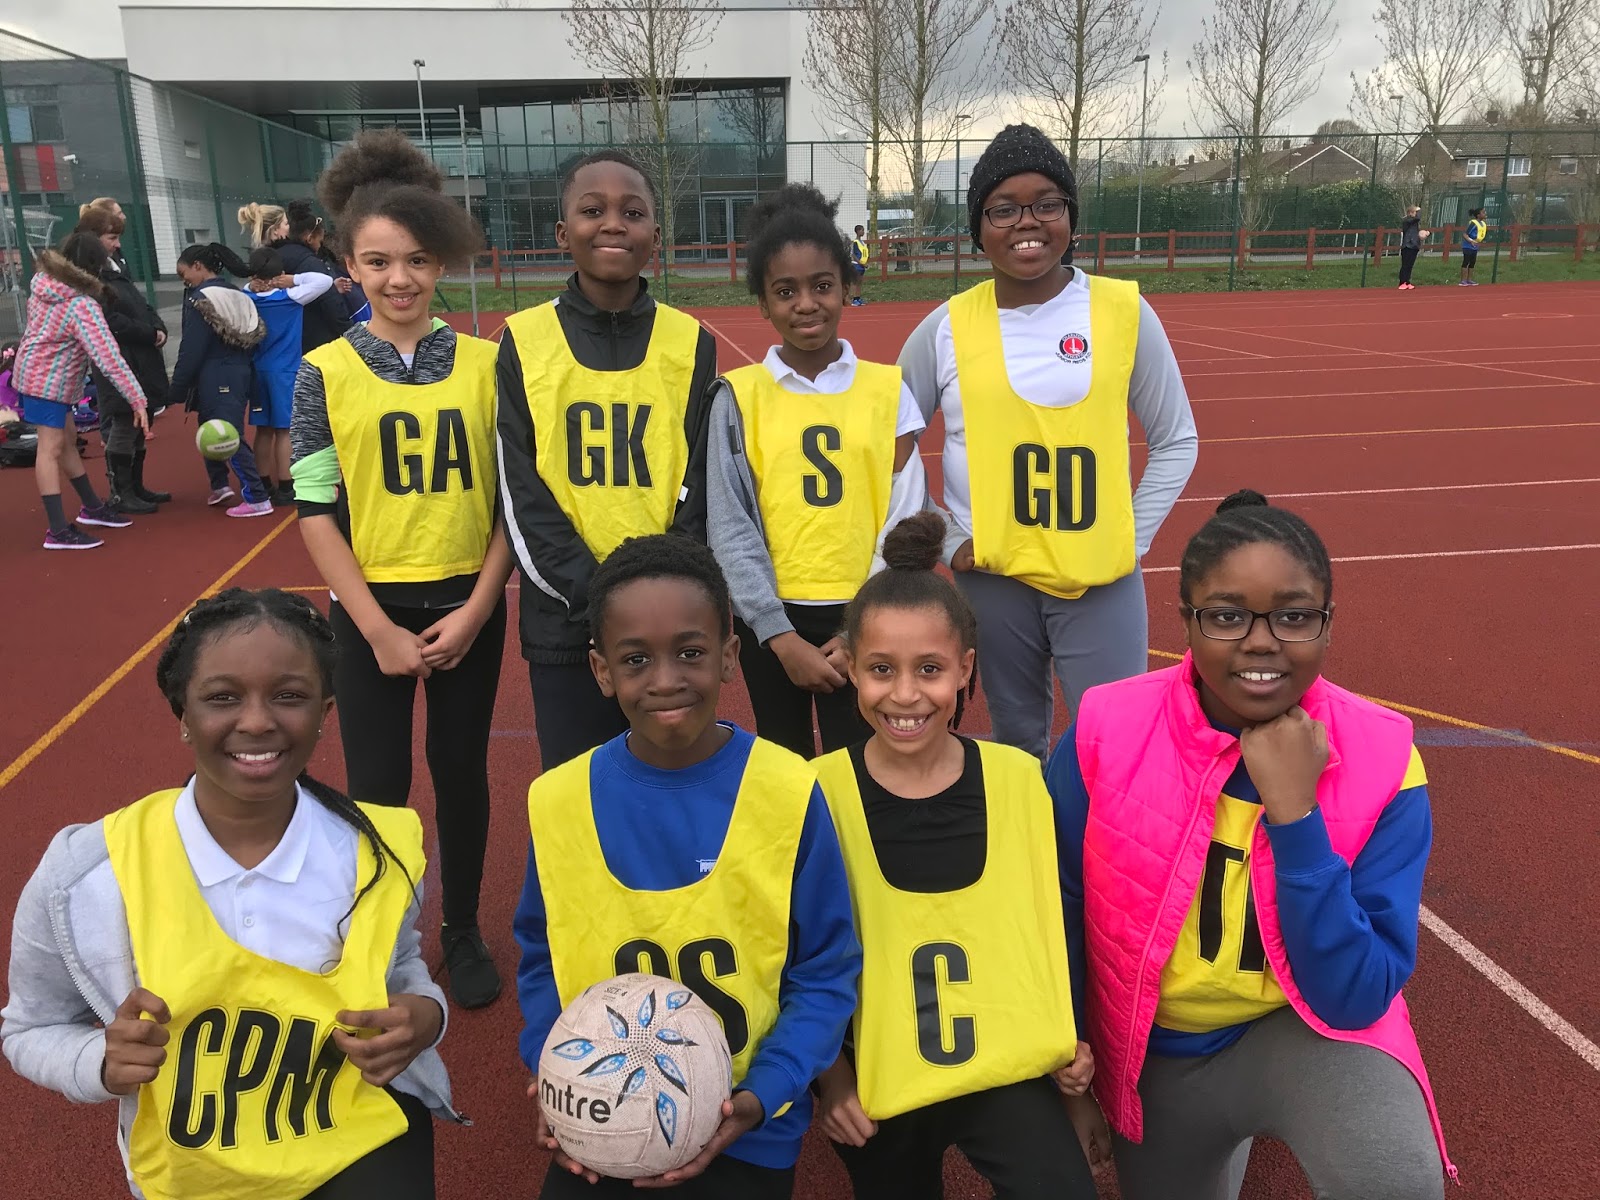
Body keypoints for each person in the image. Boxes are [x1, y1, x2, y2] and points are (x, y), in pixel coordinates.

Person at [1046, 490, 1454, 1200]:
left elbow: (1355, 997)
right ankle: (1215, 1142)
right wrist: (1074, 1066)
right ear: (1187, 623)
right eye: (1227, 616)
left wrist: (1295, 817)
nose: (1261, 642)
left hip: (1297, 1028)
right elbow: (1056, 908)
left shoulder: (1387, 760)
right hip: (1153, 1050)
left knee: (1393, 1183)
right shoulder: (1104, 730)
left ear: (1327, 624)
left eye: (1293, 616)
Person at [1, 588, 456, 1200]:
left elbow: (400, 971)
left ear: (326, 711)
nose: (258, 721)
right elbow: (28, 1028)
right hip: (194, 1173)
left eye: (289, 696)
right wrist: (99, 1063)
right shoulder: (87, 872)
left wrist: (424, 1018)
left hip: (356, 1141)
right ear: (182, 714)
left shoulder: (378, 850)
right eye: (222, 698)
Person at [514, 532, 860, 1199]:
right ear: (601, 670)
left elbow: (825, 970)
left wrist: (766, 1092)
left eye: (691, 653)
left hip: (749, 1125)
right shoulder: (558, 801)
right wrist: (551, 1069)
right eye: (636, 659)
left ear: (729, 657)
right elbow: (539, 954)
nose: (666, 679)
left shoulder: (788, 789)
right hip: (598, 1116)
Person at [811, 511, 1100, 1200]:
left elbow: (1048, 923)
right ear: (851, 668)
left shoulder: (1016, 779)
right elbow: (800, 952)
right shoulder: (815, 793)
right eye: (881, 669)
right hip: (884, 1077)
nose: (906, 694)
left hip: (1003, 1063)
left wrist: (1070, 1041)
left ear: (965, 670)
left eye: (930, 670)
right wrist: (832, 1080)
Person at [292, 128, 512, 1009]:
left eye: (418, 260)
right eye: (378, 261)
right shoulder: (322, 373)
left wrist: (477, 609)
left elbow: (509, 512)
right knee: (377, 784)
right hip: (370, 610)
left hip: (470, 603)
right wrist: (376, 629)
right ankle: (382, 933)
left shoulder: (494, 366)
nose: (400, 279)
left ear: (442, 262)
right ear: (348, 263)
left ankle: (460, 929)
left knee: (461, 770)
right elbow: (315, 514)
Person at [897, 123, 1199, 760]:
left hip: (1099, 578)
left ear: (1070, 214)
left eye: (1046, 204)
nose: (1026, 222)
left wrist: (1129, 535)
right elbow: (891, 448)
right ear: (978, 226)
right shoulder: (942, 329)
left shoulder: (1122, 312)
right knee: (1016, 744)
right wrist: (947, 538)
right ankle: (1033, 861)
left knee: (1115, 745)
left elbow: (1176, 439)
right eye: (1002, 209)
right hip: (993, 577)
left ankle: (1106, 861)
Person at [497, 149, 717, 770]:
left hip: (670, 625)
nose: (614, 223)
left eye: (634, 211)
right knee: (577, 792)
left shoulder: (690, 341)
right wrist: (600, 596)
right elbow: (520, 492)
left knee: (674, 782)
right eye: (593, 210)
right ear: (565, 233)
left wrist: (661, 593)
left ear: (655, 234)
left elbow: (699, 485)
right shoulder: (522, 340)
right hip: (565, 623)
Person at [708, 183, 926, 759]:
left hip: (864, 615)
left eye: (822, 286)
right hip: (769, 622)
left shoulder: (888, 389)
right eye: (786, 291)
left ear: (847, 288)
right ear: (763, 303)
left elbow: (905, 513)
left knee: (862, 767)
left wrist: (860, 628)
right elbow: (729, 525)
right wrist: (777, 634)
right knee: (785, 767)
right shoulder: (737, 397)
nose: (806, 304)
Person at [11, 233, 148, 550]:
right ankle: (57, 531)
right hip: (46, 382)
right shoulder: (81, 306)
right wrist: (137, 400)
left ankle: (92, 507)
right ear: (93, 267)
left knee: (67, 440)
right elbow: (108, 358)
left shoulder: (45, 284)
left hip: (42, 376)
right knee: (51, 447)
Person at [75, 205, 171, 513]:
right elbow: (110, 320)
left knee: (139, 420)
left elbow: (139, 304)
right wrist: (147, 332)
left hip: (139, 357)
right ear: (93, 238)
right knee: (123, 422)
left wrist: (157, 326)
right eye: (111, 237)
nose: (117, 244)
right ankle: (121, 492)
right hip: (118, 360)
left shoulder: (115, 269)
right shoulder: (89, 278)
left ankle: (136, 486)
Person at [171, 243, 273, 515]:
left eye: (185, 273)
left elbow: (192, 347)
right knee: (210, 427)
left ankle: (257, 496)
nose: (184, 280)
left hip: (215, 373)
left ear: (198, 267)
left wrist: (177, 387)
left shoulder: (201, 299)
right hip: (239, 370)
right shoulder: (238, 294)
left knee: (228, 433)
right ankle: (220, 485)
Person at [245, 245, 336, 507]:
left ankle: (262, 482)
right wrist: (292, 279)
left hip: (257, 369)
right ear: (280, 273)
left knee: (263, 429)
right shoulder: (290, 297)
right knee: (285, 430)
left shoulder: (247, 296)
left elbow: (247, 289)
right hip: (285, 371)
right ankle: (286, 485)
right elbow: (324, 280)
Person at [276, 198, 354, 352]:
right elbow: (332, 306)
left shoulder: (276, 255)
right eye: (320, 240)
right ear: (310, 238)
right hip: (318, 341)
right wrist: (352, 334)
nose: (320, 245)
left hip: (288, 341)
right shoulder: (312, 264)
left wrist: (332, 287)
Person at [1398, 206, 1430, 291]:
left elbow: (1416, 232)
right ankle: (1402, 282)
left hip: (1414, 246)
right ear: (1410, 213)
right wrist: (1419, 209)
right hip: (1407, 245)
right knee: (1405, 264)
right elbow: (1417, 218)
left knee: (1410, 265)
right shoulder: (1407, 220)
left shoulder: (1415, 224)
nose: (1416, 214)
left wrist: (1424, 233)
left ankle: (1407, 281)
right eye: (1414, 212)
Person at [1459, 208, 1486, 286]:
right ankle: (1463, 280)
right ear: (1478, 215)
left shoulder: (1483, 223)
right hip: (1468, 246)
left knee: (1472, 262)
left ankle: (1469, 279)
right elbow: (1465, 234)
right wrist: (1471, 241)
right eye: (1483, 212)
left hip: (1475, 245)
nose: (1485, 214)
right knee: (1466, 261)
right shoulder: (1473, 223)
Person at [848, 223, 868, 306]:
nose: (863, 232)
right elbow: (853, 254)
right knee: (855, 282)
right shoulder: (855, 242)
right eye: (862, 230)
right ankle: (853, 299)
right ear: (857, 231)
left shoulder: (862, 242)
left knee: (860, 282)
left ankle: (858, 298)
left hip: (862, 265)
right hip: (857, 265)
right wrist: (860, 263)